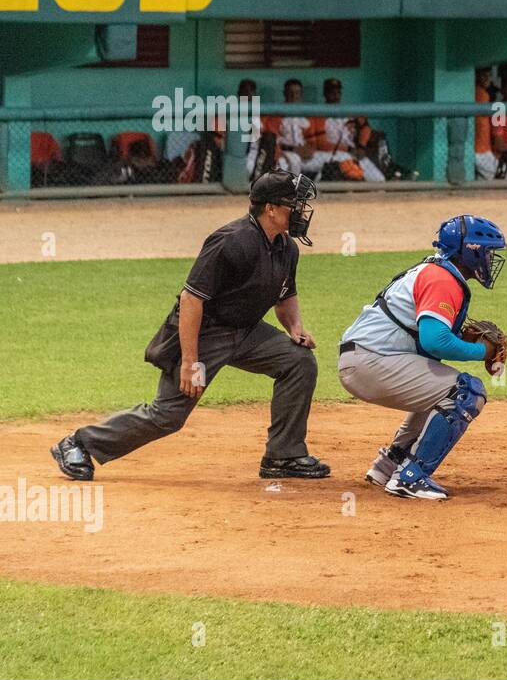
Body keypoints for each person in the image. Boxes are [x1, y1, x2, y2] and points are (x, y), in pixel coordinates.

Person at [51, 171, 329, 484]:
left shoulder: (285, 247)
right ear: (270, 209)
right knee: (167, 415)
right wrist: (190, 360)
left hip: (248, 331)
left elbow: (285, 293)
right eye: (294, 203)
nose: (302, 210)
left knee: (299, 361)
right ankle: (78, 443)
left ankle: (284, 454)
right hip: (204, 334)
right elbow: (192, 299)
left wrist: (295, 327)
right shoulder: (231, 241)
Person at [339, 215, 507, 501]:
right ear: (471, 251)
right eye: (488, 252)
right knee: (466, 391)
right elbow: (435, 341)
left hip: (364, 360)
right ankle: (411, 477)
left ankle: (389, 465)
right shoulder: (442, 278)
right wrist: (483, 351)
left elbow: (428, 349)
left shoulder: (437, 271)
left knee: (438, 384)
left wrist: (459, 340)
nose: (490, 259)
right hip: (371, 361)